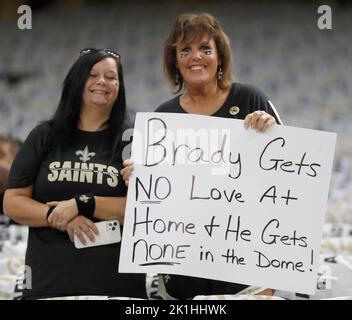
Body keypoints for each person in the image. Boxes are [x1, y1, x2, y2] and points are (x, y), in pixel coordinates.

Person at [121, 13, 282, 299]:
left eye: (205, 49)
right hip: (181, 270)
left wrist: (271, 134)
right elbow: (152, 200)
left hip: (245, 267)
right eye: (185, 50)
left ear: (220, 57)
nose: (196, 57)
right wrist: (137, 179)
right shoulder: (163, 117)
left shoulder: (250, 100)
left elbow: (285, 179)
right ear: (176, 62)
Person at [3, 48, 147, 299]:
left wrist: (83, 205)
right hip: (48, 285)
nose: (102, 81)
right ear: (76, 80)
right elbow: (13, 203)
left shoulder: (133, 139)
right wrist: (59, 215)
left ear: (119, 87)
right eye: (92, 74)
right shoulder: (43, 136)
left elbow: (146, 209)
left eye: (111, 77)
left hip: (117, 287)